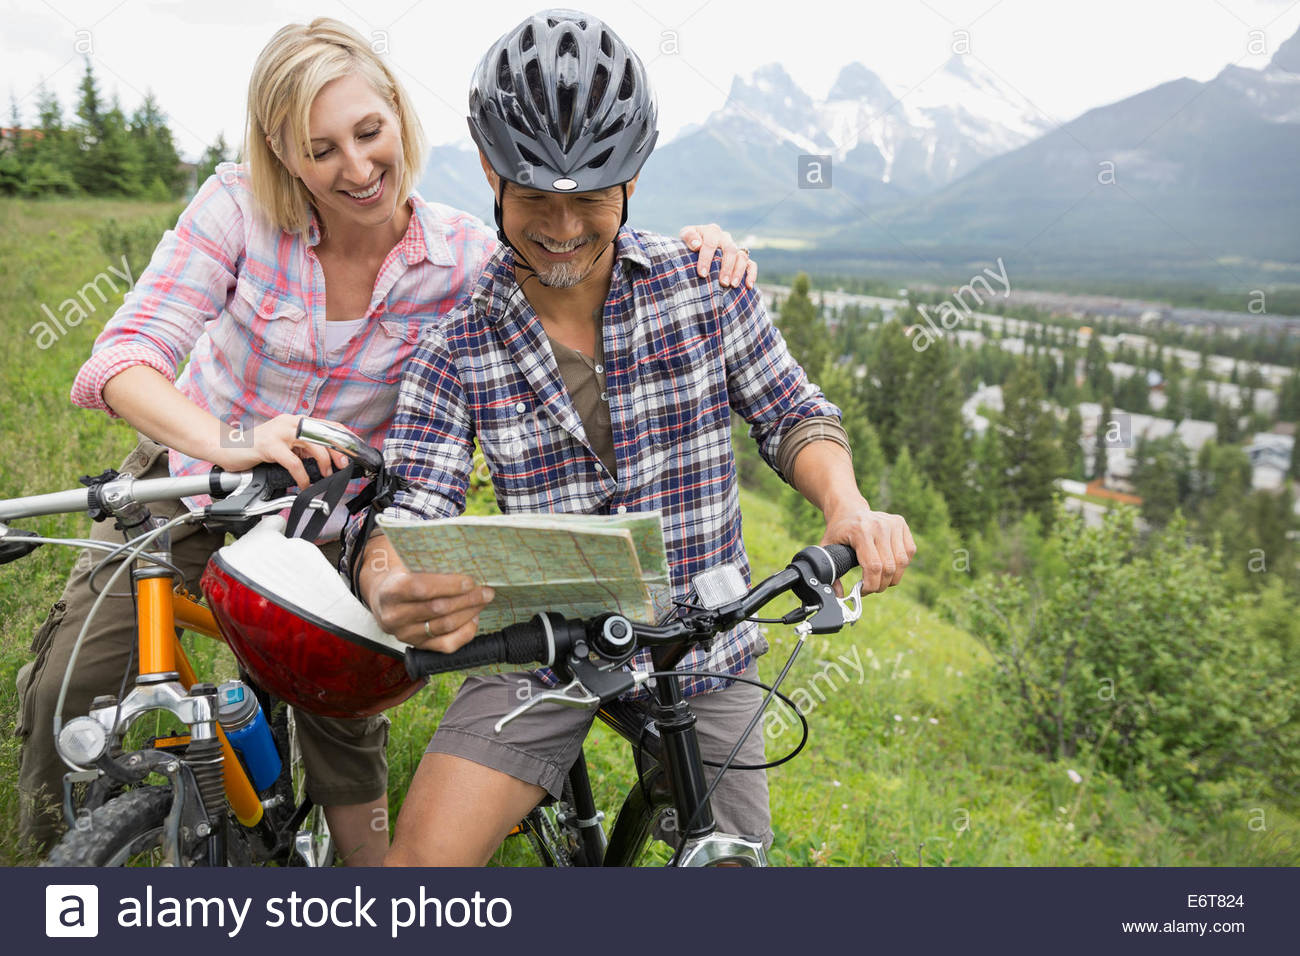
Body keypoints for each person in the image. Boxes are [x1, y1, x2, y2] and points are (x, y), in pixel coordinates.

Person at [14, 16, 756, 864]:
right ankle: (53, 869)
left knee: (343, 722)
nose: (357, 167)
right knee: (67, 693)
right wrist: (227, 440)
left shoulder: (465, 259)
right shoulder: (236, 210)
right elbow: (120, 362)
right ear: (282, 154)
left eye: (370, 133)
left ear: (401, 118)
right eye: (320, 148)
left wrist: (703, 250)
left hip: (329, 525)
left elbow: (573, 252)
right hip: (188, 484)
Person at [353, 9, 916, 866]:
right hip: (544, 651)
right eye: (536, 196)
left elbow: (791, 411)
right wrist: (387, 580)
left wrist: (846, 502)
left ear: (635, 178)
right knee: (415, 877)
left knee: (728, 865)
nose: (564, 227)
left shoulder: (706, 288)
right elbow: (412, 511)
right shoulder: (455, 346)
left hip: (707, 642)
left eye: (591, 198)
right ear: (490, 173)